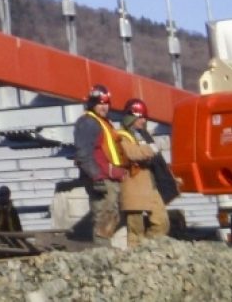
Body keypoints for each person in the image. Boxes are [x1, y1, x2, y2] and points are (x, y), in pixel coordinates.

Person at [72, 84, 125, 241]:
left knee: (110, 215)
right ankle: (102, 252)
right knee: (103, 215)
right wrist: (96, 177)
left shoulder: (102, 122)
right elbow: (83, 153)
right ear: (92, 104)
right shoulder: (88, 122)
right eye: (100, 103)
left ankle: (104, 250)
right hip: (101, 178)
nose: (104, 107)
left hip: (108, 177)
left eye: (106, 103)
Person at [116, 98, 170, 244]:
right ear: (131, 117)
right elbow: (131, 153)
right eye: (141, 117)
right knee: (135, 231)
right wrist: (151, 149)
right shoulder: (121, 136)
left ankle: (148, 248)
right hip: (132, 187)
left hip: (150, 186)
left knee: (162, 222)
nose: (144, 121)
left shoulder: (143, 135)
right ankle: (137, 257)